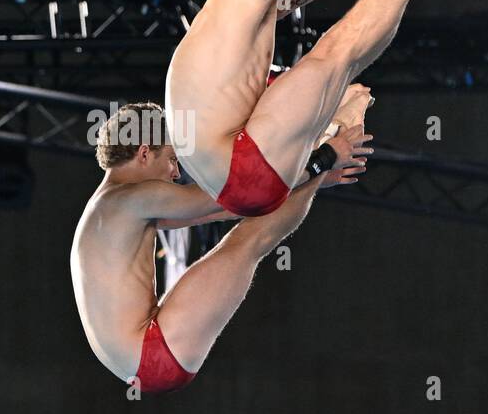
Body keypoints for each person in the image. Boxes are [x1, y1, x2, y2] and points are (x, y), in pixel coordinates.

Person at [164, 0, 466, 217]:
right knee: (336, 49)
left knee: (342, 69)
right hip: (243, 169)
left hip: (241, 180)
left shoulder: (242, 15)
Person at [70, 88, 372, 395]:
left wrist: (312, 174)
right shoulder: (130, 199)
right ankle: (333, 133)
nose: (176, 173)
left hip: (144, 361)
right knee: (250, 241)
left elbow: (235, 208)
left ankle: (328, 142)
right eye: (173, 159)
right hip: (153, 352)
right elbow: (239, 195)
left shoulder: (110, 209)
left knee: (251, 231)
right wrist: (322, 159)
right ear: (144, 153)